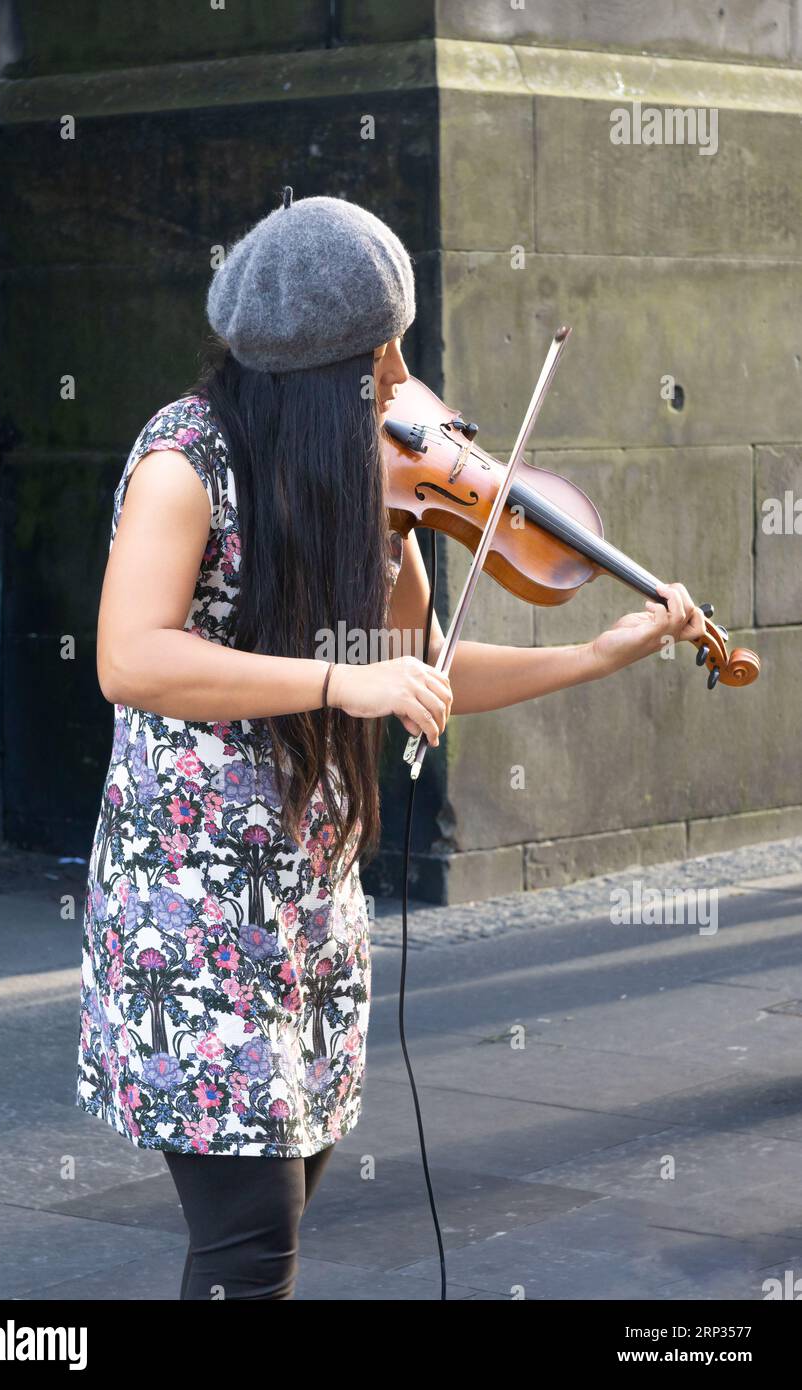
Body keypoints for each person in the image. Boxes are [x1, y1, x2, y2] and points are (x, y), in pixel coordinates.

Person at [75, 192, 706, 1300]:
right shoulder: (186, 461)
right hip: (193, 912)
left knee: (270, 1226)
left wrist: (597, 653)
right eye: (381, 352)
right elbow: (129, 657)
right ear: (319, 370)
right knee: (248, 1248)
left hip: (308, 907)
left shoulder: (347, 478)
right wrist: (336, 676)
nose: (401, 377)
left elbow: (412, 671)